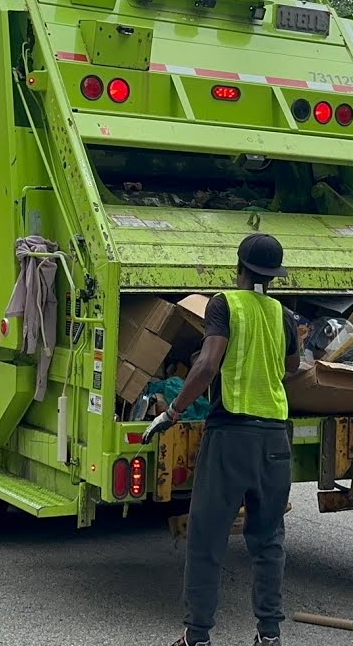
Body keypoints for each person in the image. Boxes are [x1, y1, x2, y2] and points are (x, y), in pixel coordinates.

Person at [144, 233, 301, 646]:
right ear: (274, 275)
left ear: (239, 269)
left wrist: (173, 411)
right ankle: (269, 635)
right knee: (268, 541)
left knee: (207, 538)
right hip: (275, 440)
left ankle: (197, 636)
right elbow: (293, 364)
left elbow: (208, 365)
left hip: (231, 434)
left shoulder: (224, 304)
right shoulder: (283, 315)